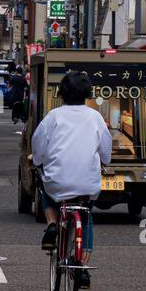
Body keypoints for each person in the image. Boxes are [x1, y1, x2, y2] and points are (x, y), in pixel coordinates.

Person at [30, 69, 112, 252]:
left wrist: (37, 160)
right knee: (86, 214)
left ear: (62, 93)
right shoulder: (95, 117)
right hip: (87, 184)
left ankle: (52, 223)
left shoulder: (53, 116)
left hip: (58, 182)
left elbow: (38, 143)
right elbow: (106, 153)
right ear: (87, 93)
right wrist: (103, 159)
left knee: (44, 186)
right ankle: (82, 267)